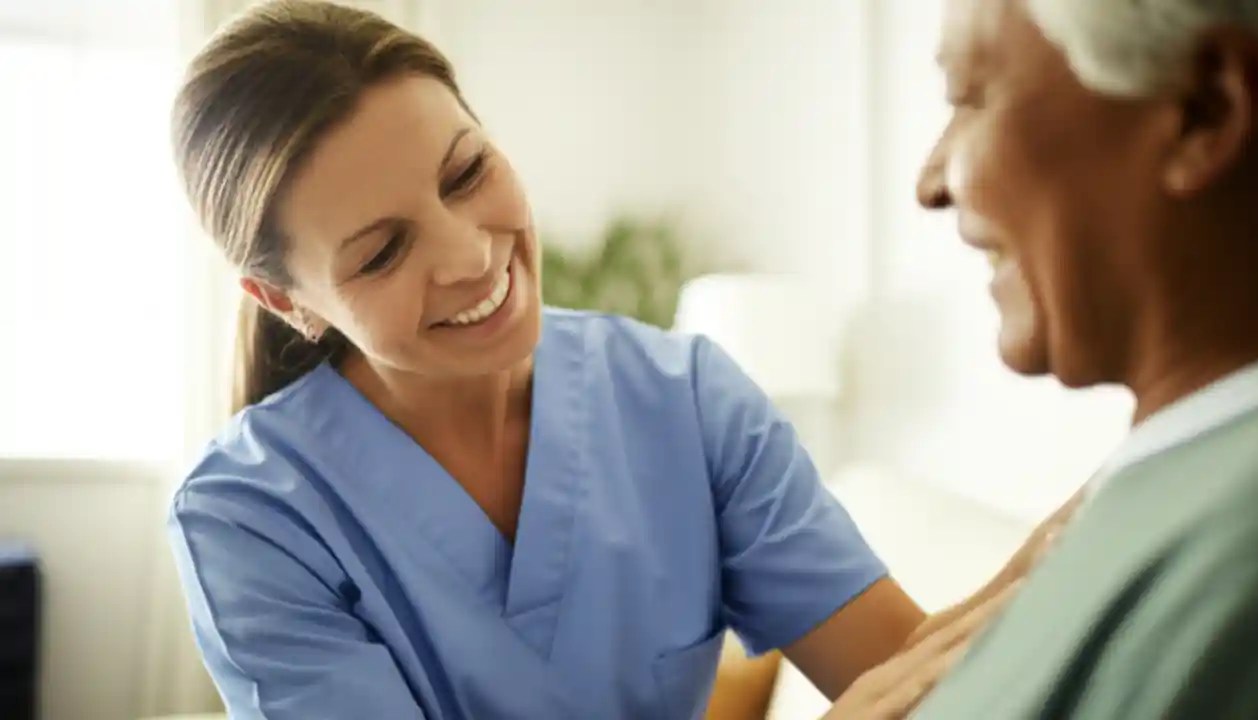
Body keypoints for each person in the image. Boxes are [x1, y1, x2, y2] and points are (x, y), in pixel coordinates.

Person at [165, 2, 1065, 718]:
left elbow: (902, 676)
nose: (472, 256)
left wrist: (1081, 541)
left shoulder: (687, 400)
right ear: (286, 302)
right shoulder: (247, 518)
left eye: (465, 173)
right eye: (382, 253)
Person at [903, 0, 1258, 717]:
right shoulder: (1168, 478)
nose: (932, 181)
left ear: (1205, 110)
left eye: (969, 96)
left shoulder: (1246, 564)